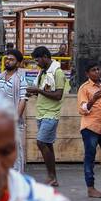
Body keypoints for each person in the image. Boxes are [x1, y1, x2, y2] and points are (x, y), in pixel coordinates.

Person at [25, 46, 69, 188]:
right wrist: (33, 92)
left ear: (45, 57)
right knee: (47, 144)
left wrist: (38, 90)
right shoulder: (43, 73)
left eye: (38, 60)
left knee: (41, 142)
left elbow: (57, 95)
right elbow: (43, 92)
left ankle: (51, 175)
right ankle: (52, 177)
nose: (37, 63)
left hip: (51, 113)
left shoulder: (57, 73)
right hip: (41, 112)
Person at [0, 46, 28, 172]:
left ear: (18, 63)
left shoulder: (20, 79)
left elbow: (23, 99)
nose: (8, 61)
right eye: (7, 59)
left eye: (11, 59)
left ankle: (18, 180)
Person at [77, 62, 101, 199]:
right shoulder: (84, 88)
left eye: (98, 69)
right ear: (87, 74)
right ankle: (90, 188)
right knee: (90, 158)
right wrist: (93, 100)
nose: (96, 72)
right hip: (90, 127)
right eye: (93, 70)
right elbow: (82, 109)